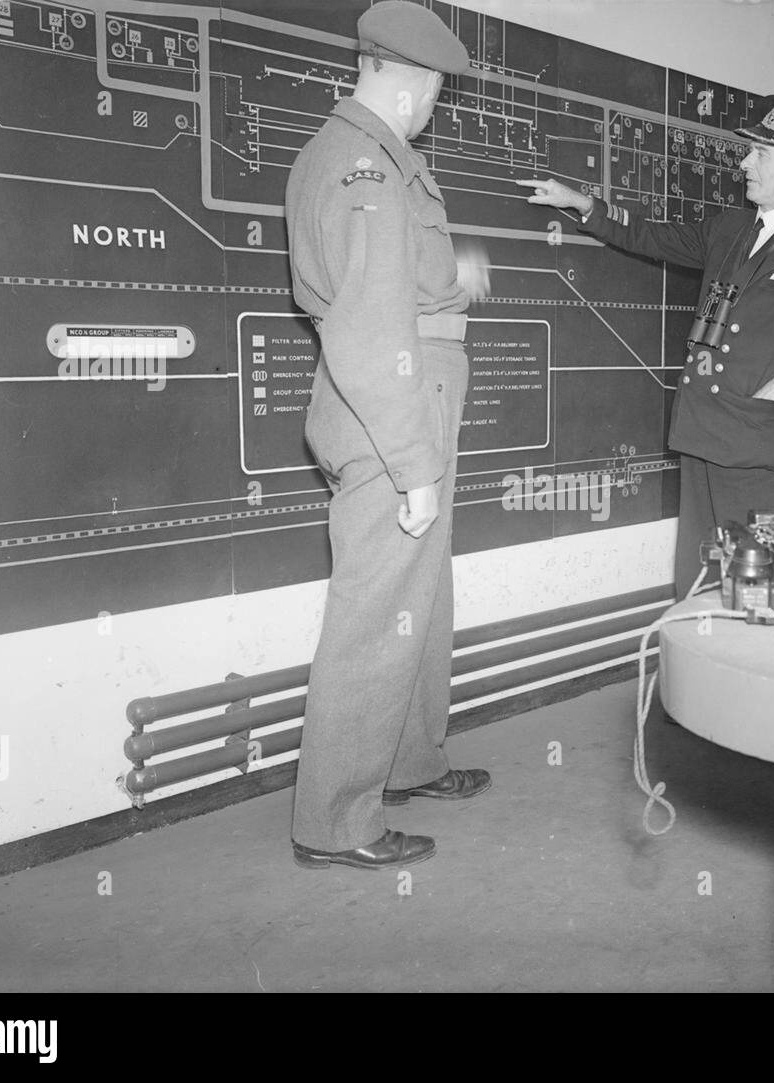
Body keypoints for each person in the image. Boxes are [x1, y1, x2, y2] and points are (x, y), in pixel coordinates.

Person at [284, 1, 490, 871]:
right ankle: (336, 823)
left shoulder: (367, 158)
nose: (436, 104)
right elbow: (368, 333)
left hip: (409, 403)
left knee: (420, 601)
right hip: (390, 417)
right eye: (438, 89)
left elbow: (397, 286)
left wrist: (450, 275)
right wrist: (413, 466)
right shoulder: (366, 165)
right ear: (418, 83)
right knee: (374, 616)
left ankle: (407, 761)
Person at [519, 96, 774, 598]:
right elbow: (650, 235)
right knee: (700, 579)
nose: (744, 163)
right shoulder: (728, 229)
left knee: (756, 590)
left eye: (760, 155)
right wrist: (584, 205)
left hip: (760, 446)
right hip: (701, 433)